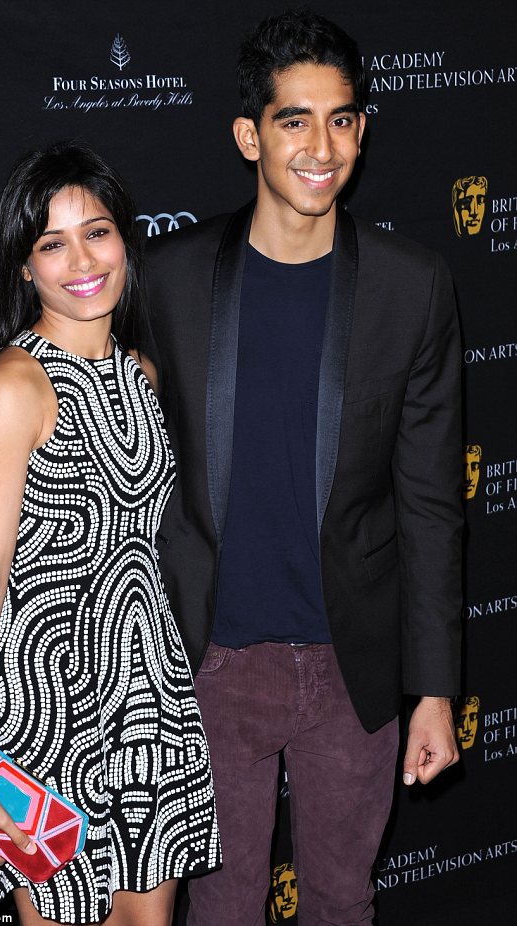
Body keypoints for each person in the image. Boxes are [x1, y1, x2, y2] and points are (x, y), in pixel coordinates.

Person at [144, 8, 462, 925]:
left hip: (351, 669)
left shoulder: (412, 285)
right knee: (222, 912)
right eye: (295, 120)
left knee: (341, 905)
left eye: (343, 119)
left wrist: (435, 689)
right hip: (209, 667)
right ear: (250, 136)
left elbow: (432, 502)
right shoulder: (166, 278)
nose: (323, 148)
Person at [0, 141, 220, 926]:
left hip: (148, 698)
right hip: (48, 707)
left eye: (97, 232)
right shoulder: (14, 386)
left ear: (125, 238)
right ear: (25, 268)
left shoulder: (142, 375)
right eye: (51, 244)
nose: (82, 261)